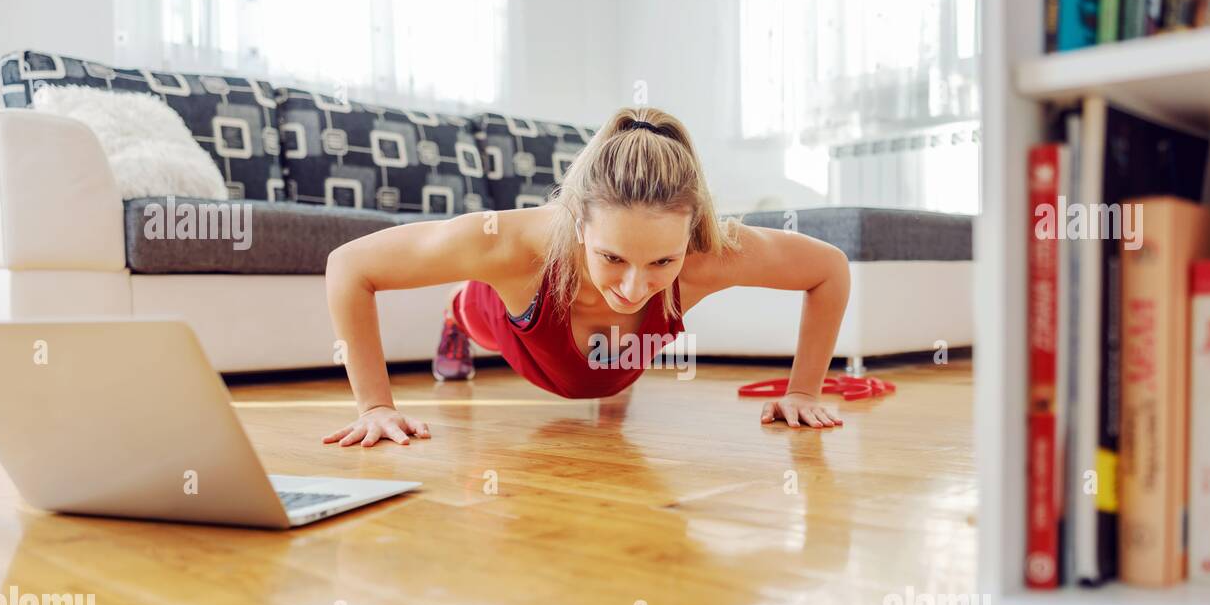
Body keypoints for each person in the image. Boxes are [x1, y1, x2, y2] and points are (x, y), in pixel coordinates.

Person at [323, 107, 851, 447]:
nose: (632, 287)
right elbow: (349, 266)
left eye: (662, 263)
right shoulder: (510, 245)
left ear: (690, 235)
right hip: (515, 327)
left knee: (606, 370)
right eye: (613, 258)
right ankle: (457, 313)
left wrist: (803, 391)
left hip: (612, 369)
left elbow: (829, 269)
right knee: (474, 307)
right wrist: (375, 406)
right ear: (578, 223)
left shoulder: (711, 253)